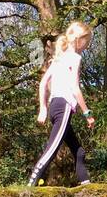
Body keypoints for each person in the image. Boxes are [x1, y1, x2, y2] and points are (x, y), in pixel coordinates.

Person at [28, 19, 94, 187]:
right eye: (87, 41)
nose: (87, 45)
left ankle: (86, 184)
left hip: (55, 106)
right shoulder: (74, 58)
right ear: (80, 39)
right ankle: (30, 186)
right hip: (64, 106)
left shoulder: (59, 58)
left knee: (78, 151)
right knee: (52, 149)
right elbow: (75, 88)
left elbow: (43, 83)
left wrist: (43, 109)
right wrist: (87, 113)